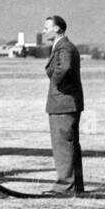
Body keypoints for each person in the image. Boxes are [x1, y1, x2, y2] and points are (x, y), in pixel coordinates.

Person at [42, 15, 85, 196]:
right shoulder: (63, 47)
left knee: (62, 146)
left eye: (47, 28)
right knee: (71, 145)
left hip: (63, 104)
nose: (44, 32)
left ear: (57, 29)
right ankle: (76, 186)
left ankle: (64, 186)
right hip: (68, 103)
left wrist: (56, 81)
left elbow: (64, 68)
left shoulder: (64, 47)